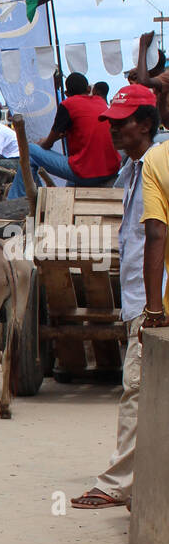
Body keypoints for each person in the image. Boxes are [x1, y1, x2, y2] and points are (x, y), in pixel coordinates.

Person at [69, 86, 165, 509]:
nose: (113, 130)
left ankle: (118, 482)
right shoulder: (132, 169)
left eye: (121, 122)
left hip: (151, 302)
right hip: (139, 299)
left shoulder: (154, 165)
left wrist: (153, 308)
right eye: (110, 122)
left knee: (137, 387)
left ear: (145, 124)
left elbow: (155, 234)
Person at [8, 73, 119, 199]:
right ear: (89, 89)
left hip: (87, 173)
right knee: (74, 165)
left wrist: (42, 142)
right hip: (111, 170)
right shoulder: (100, 101)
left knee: (30, 150)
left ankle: (17, 198)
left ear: (66, 93)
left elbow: (48, 143)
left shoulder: (68, 104)